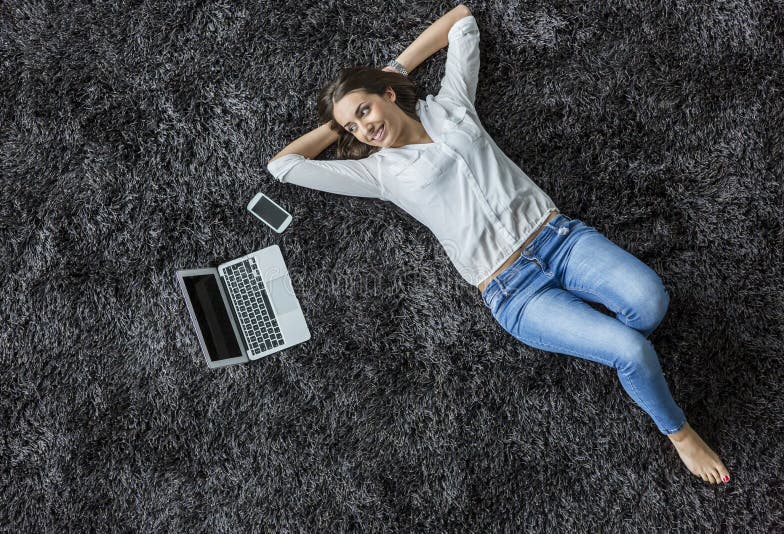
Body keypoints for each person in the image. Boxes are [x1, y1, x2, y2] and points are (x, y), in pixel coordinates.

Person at [266, 5, 731, 485]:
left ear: (387, 95)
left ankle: (618, 344)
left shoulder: (451, 106)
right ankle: (679, 433)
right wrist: (339, 122)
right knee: (632, 352)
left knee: (651, 304)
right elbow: (284, 165)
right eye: (352, 129)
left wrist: (396, 68)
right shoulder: (376, 174)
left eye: (365, 111)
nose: (365, 129)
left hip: (560, 241)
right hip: (514, 292)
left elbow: (461, 19)